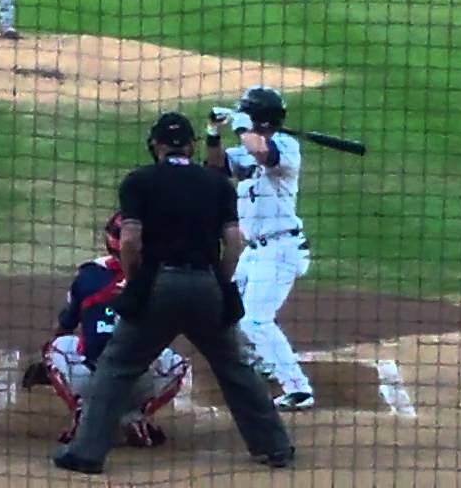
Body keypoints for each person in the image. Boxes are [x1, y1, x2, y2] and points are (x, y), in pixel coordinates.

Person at [53, 112, 294, 475]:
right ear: (192, 145)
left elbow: (130, 240)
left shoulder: (139, 182)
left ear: (155, 145)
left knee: (117, 366)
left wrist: (136, 284)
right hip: (206, 286)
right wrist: (222, 284)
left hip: (158, 286)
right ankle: (274, 448)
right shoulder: (217, 184)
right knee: (235, 368)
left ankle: (86, 453)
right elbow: (233, 243)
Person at [205, 86, 315, 411]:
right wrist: (213, 133)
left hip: (280, 248)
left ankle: (299, 389)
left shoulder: (286, 147)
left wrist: (240, 125)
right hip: (253, 250)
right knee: (229, 308)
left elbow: (262, 154)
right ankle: (261, 361)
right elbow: (215, 167)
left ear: (260, 120)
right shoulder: (249, 145)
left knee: (256, 320)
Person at [41, 212, 189, 448]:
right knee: (177, 363)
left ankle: (83, 411)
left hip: (91, 382)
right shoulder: (162, 276)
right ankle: (135, 417)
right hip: (140, 381)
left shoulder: (88, 275)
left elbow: (64, 325)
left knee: (54, 349)